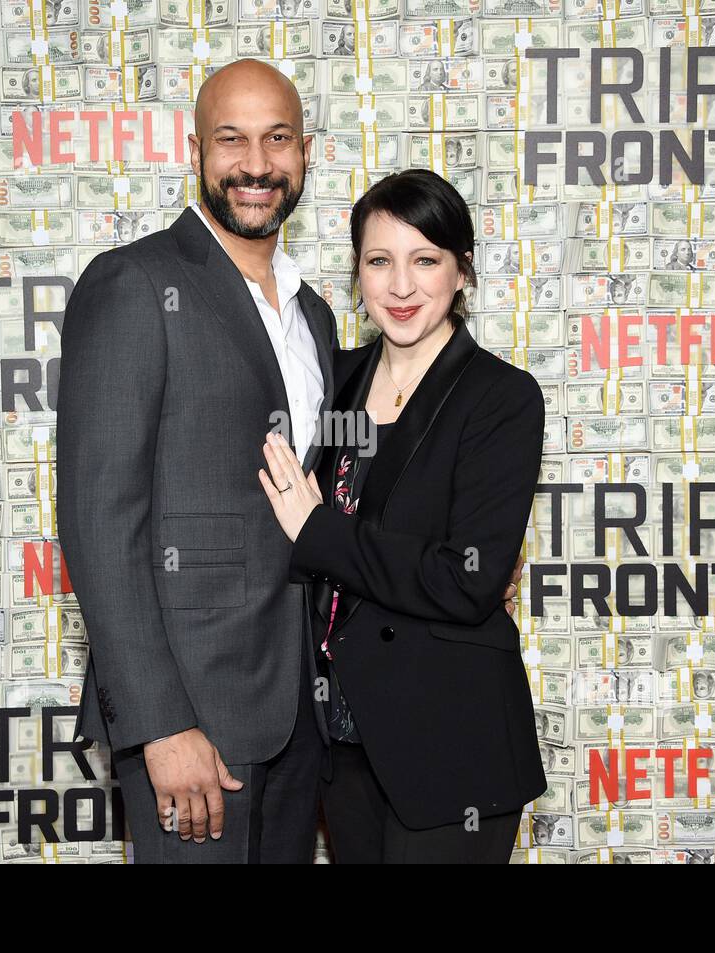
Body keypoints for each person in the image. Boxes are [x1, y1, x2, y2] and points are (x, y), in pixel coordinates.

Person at [58, 59, 522, 864]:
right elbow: (102, 523)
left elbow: (356, 495)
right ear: (194, 148)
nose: (256, 163)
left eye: (277, 139)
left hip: (313, 726)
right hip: (193, 720)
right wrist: (161, 722)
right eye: (231, 139)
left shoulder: (314, 316)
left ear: (305, 152)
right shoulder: (134, 283)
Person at [258, 169, 547, 862]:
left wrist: (322, 531)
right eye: (380, 261)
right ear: (357, 272)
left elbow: (464, 580)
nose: (402, 285)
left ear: (463, 271)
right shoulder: (335, 380)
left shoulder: (499, 398)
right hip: (342, 739)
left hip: (450, 743)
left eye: (426, 260)